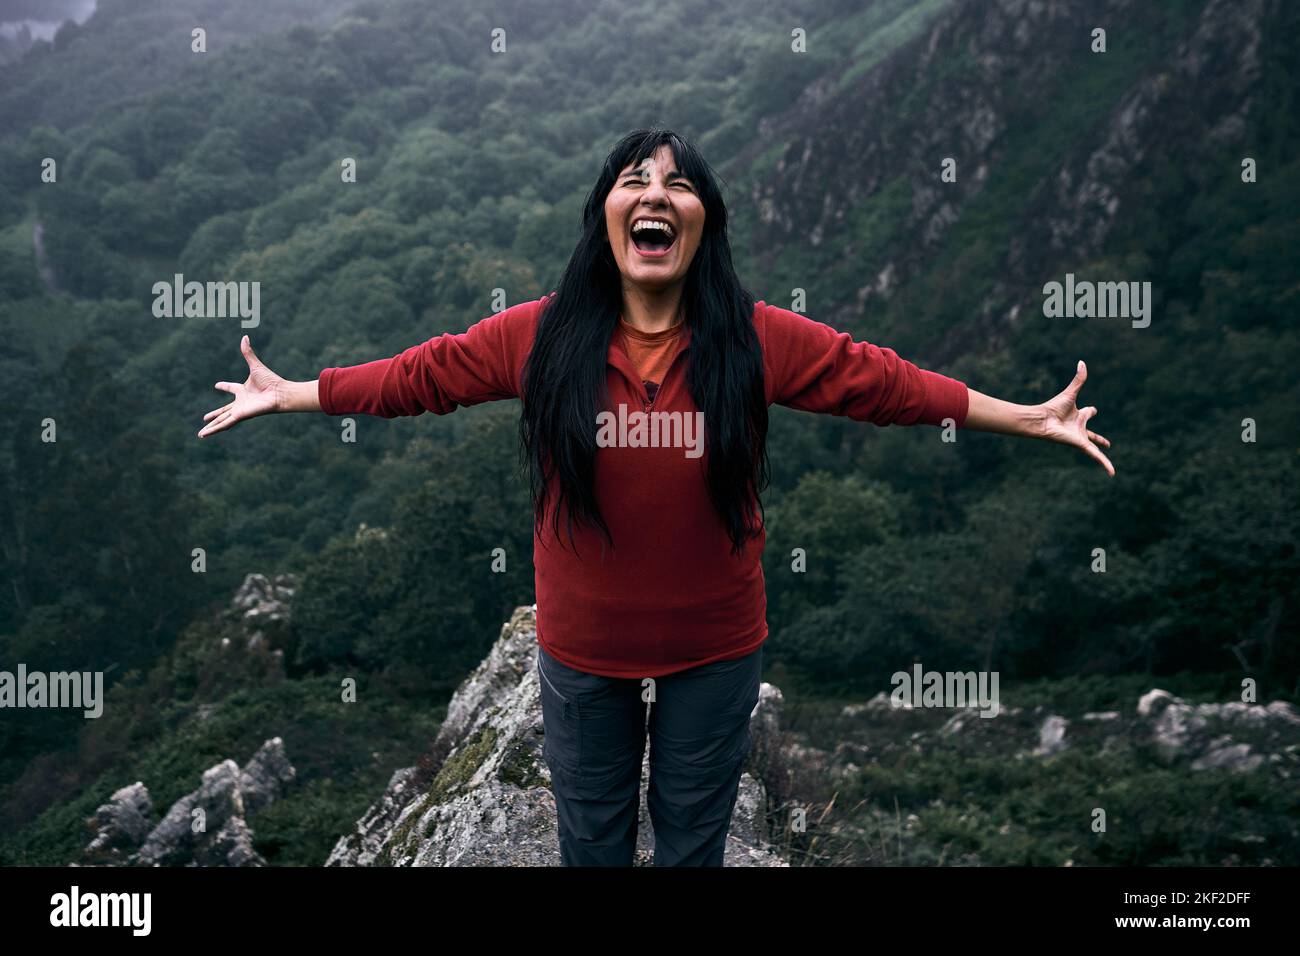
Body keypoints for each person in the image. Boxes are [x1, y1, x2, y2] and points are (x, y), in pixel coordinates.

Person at [196, 127, 1114, 866]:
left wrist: (1027, 420)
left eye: (678, 186)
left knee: (690, 846)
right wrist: (296, 392)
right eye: (635, 180)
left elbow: (884, 383)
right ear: (604, 215)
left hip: (714, 653)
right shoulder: (541, 337)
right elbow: (419, 376)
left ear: (703, 224)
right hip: (583, 652)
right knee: (591, 845)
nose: (656, 195)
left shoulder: (753, 340)